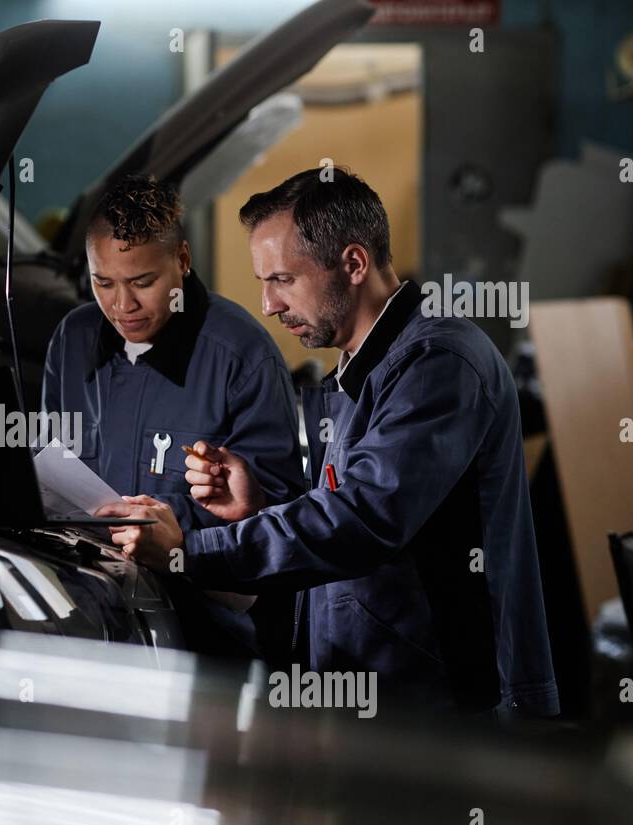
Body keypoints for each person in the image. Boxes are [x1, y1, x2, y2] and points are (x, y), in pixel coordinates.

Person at [100, 167, 559, 717]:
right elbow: (349, 517)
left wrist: (188, 552)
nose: (268, 305)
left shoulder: (439, 362)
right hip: (381, 699)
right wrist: (259, 509)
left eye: (283, 280)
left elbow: (362, 519)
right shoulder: (362, 368)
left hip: (451, 708)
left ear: (354, 263)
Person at [42, 173, 304, 656]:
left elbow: (282, 520)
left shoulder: (242, 356)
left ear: (182, 261)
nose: (123, 305)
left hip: (208, 637)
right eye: (104, 282)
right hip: (94, 620)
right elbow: (50, 473)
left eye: (142, 282)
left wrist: (169, 525)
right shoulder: (72, 340)